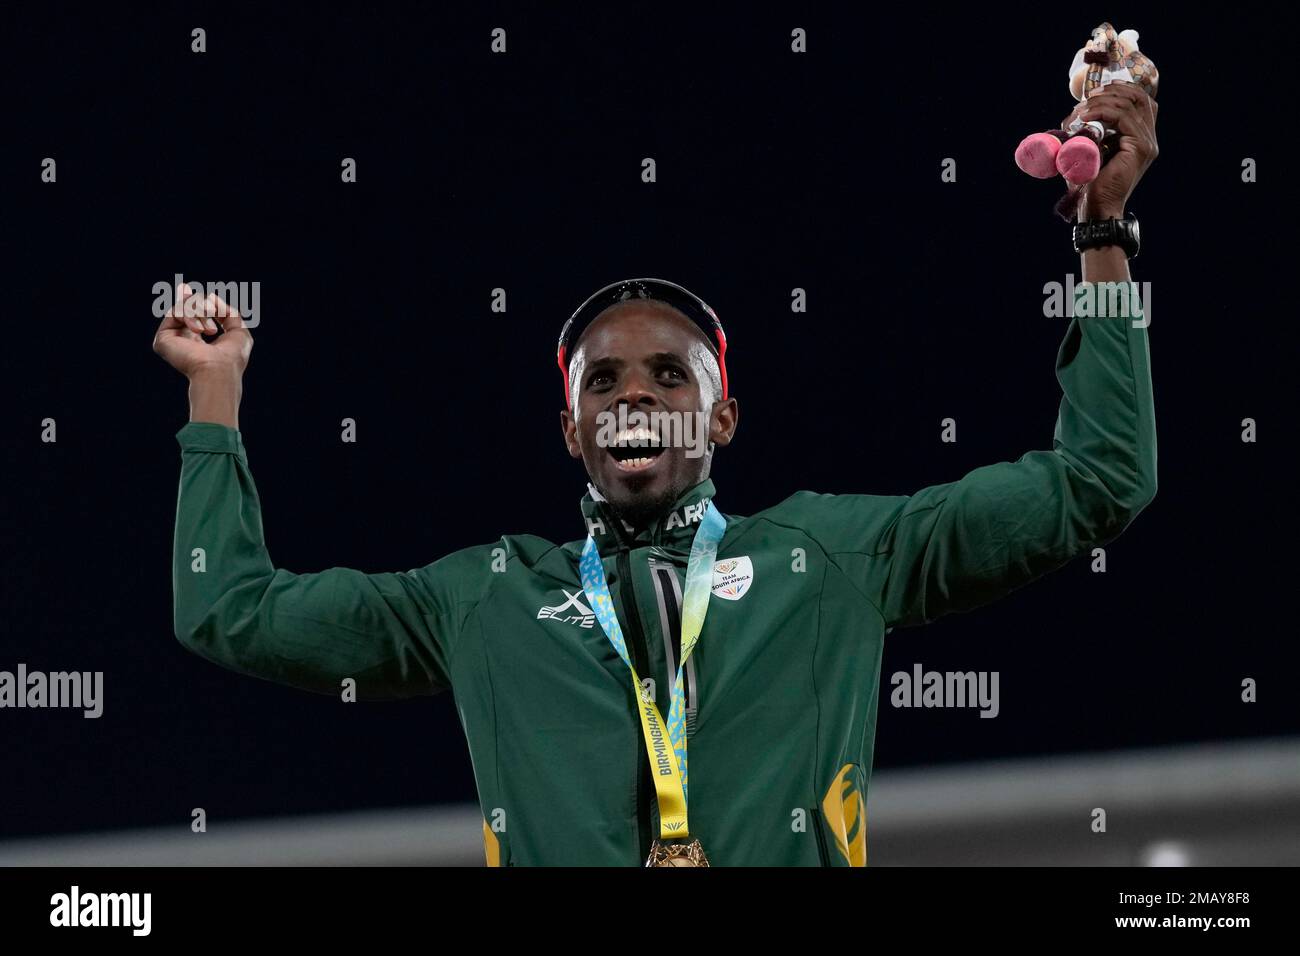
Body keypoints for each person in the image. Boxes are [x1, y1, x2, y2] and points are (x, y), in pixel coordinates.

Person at [153, 83, 1158, 867]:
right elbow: (227, 608)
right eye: (604, 381)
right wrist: (214, 392)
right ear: (570, 428)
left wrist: (1101, 234)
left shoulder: (837, 556)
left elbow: (1101, 479)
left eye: (669, 374)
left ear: (720, 417)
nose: (633, 395)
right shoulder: (484, 597)